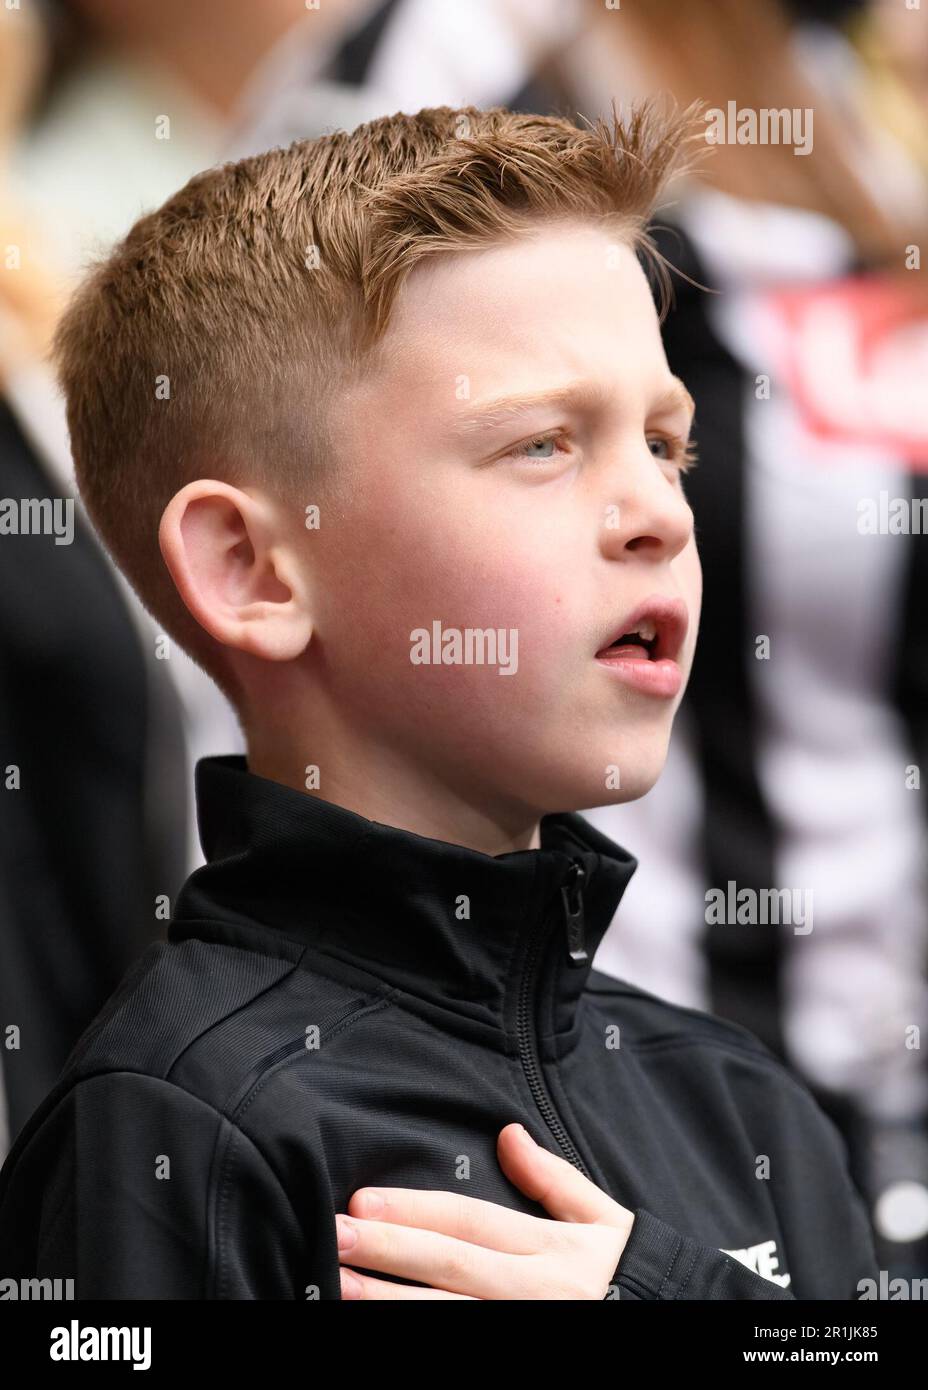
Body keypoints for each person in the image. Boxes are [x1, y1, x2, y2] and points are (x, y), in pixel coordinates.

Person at [0, 101, 878, 1299]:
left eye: (668, 446)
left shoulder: (745, 1103)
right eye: (541, 445)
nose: (661, 513)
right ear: (254, 569)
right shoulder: (171, 1129)